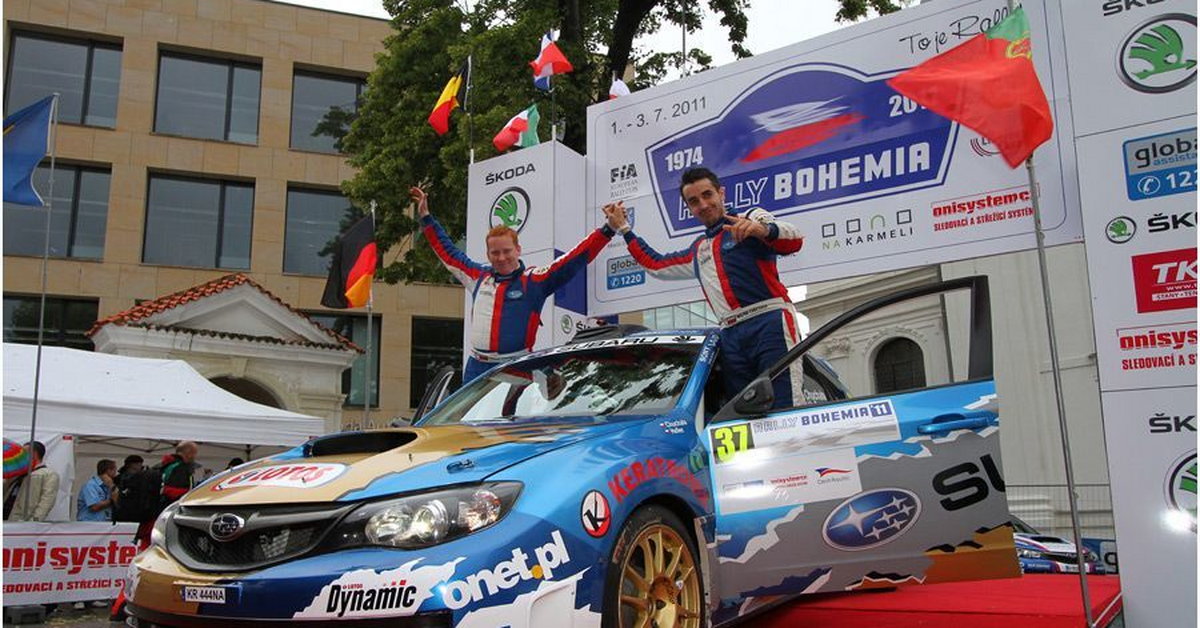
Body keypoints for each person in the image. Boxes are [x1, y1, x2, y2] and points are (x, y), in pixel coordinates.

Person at [603, 167, 805, 408]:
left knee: (785, 406)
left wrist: (763, 230)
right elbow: (655, 264)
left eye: (708, 195)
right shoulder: (698, 249)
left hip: (769, 321)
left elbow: (794, 240)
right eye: (694, 201)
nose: (703, 204)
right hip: (729, 334)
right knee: (744, 412)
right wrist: (624, 229)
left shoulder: (751, 217)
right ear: (689, 208)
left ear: (721, 193)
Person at [412, 185, 617, 383]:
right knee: (467, 410)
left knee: (513, 409)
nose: (501, 258)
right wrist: (427, 218)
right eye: (495, 253)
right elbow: (448, 252)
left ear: (518, 250)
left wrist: (608, 230)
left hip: (516, 367)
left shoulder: (534, 280)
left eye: (507, 251)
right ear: (488, 255)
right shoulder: (478, 275)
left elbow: (572, 260)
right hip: (476, 367)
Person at [5, 441, 61, 521]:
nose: (20, 455)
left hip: (22, 521)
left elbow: (46, 502)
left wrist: (34, 521)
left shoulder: (49, 475)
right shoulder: (17, 473)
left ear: (33, 454)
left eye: (23, 453)